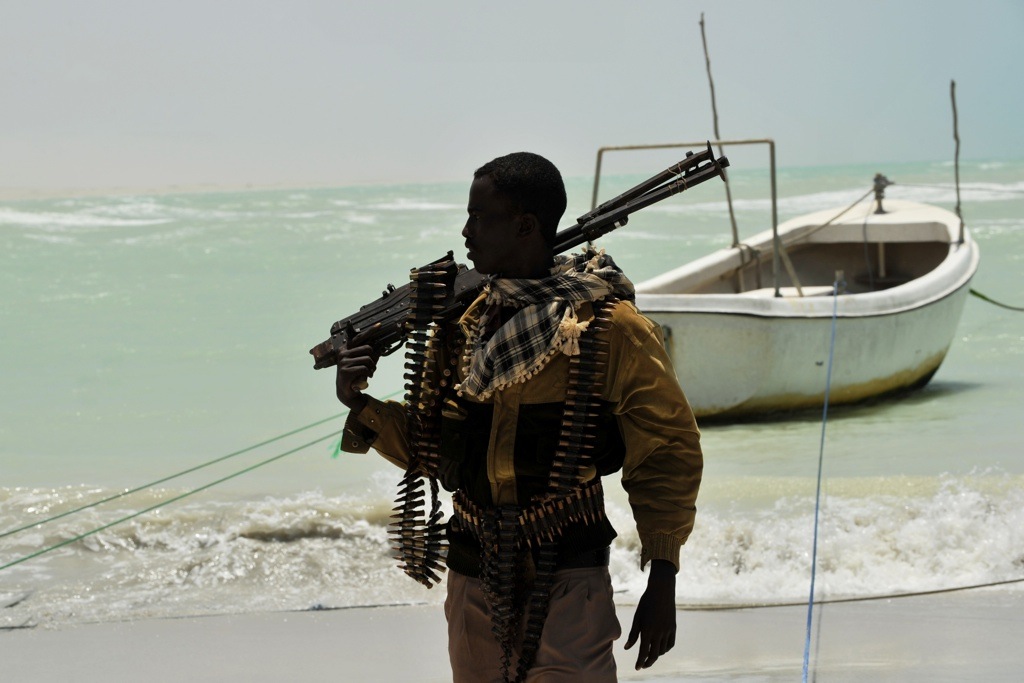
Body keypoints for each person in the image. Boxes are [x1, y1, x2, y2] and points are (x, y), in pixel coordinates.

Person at [333, 152, 702, 682]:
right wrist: (360, 405)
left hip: (568, 571)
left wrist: (663, 576)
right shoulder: (462, 327)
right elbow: (433, 451)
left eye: (479, 217)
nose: (466, 232)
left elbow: (667, 450)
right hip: (473, 570)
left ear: (526, 226)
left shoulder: (609, 326)